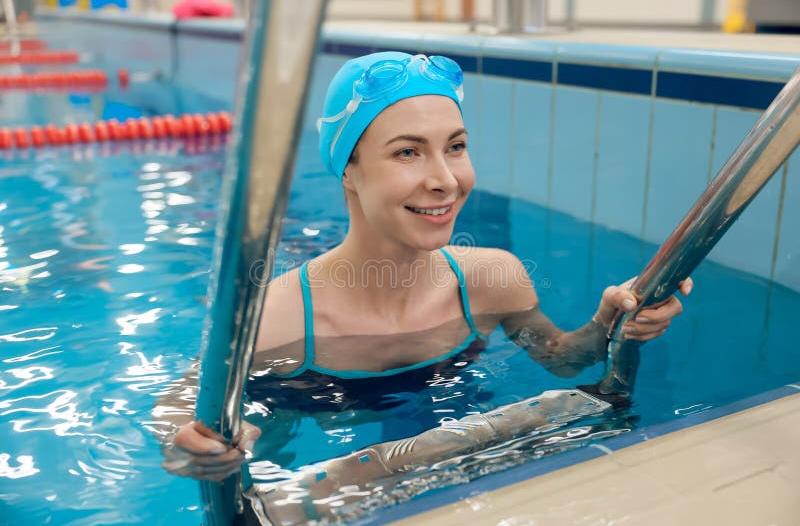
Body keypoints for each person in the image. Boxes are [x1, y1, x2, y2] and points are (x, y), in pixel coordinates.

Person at [156, 51, 692, 482]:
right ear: (349, 170)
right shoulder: (277, 315)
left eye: (455, 147)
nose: (445, 179)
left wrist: (611, 325)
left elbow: (561, 361)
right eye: (408, 153)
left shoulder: (491, 279)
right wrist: (192, 446)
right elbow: (182, 403)